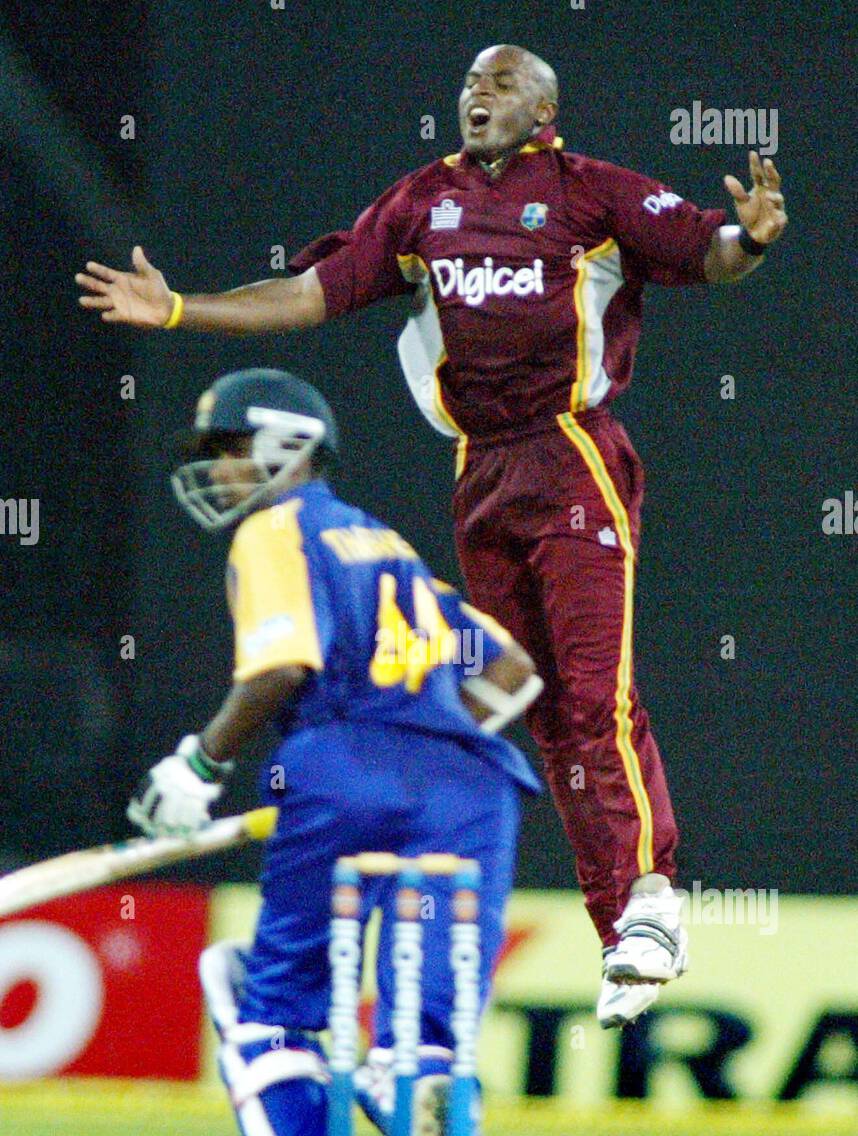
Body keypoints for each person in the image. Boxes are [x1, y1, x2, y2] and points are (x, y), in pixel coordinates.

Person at [76, 44, 788, 1028]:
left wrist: (746, 242)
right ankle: (598, 923)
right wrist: (182, 309)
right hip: (482, 471)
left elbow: (704, 254)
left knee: (592, 689)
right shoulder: (422, 203)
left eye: (499, 84)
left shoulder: (591, 193)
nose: (476, 97)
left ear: (546, 107)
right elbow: (317, 292)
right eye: (467, 85)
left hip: (570, 453)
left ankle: (650, 901)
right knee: (515, 698)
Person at [127, 366, 541, 1136]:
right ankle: (423, 1100)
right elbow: (514, 670)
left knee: (262, 1006)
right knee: (423, 1030)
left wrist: (198, 766)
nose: (221, 473)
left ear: (284, 445)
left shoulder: (276, 530)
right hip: (475, 788)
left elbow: (280, 668)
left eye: (230, 450)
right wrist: (425, 737)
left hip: (341, 766)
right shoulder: (387, 545)